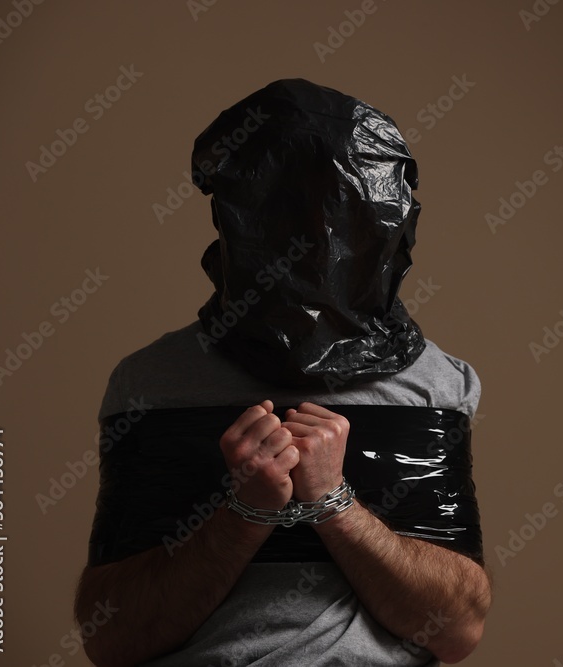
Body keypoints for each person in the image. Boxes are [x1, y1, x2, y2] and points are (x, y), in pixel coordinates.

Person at [72, 78, 491, 666]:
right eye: (290, 215)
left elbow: (455, 631)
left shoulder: (432, 384)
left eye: (342, 221)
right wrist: (245, 514)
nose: (317, 245)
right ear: (235, 220)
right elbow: (111, 637)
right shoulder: (152, 383)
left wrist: (334, 503)